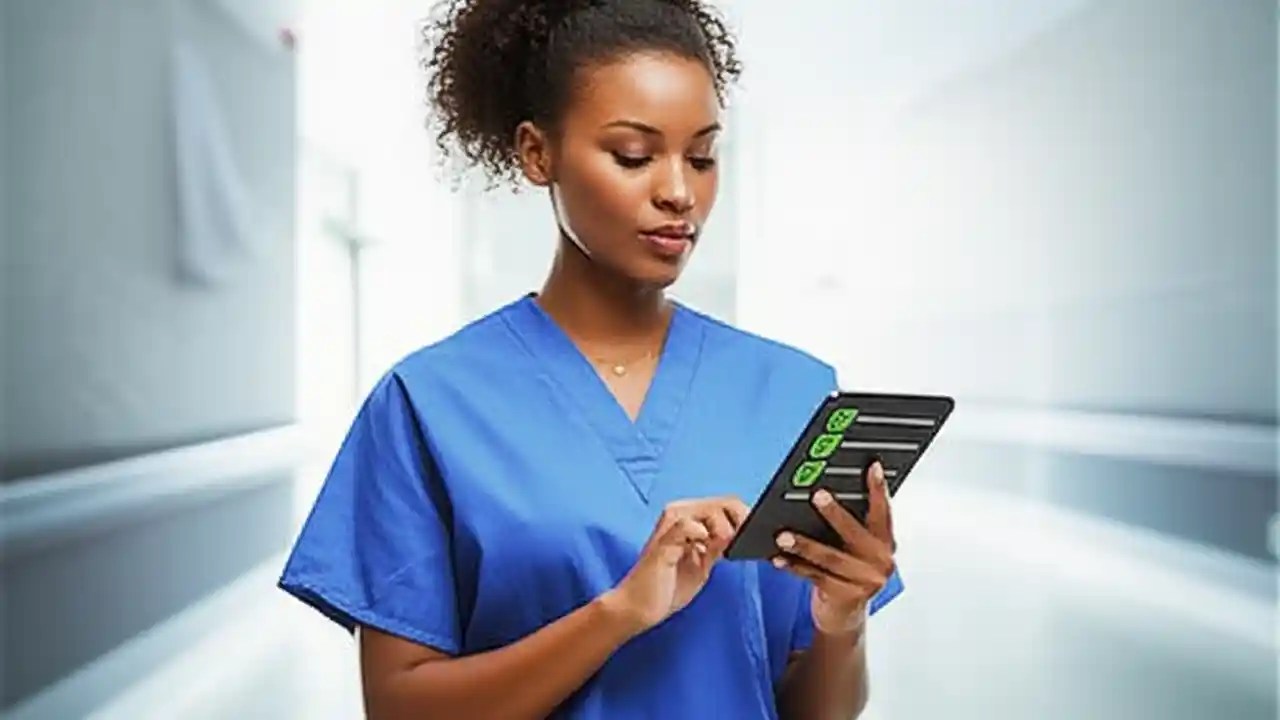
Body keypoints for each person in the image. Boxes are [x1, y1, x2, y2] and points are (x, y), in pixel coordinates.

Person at [278, 0, 905, 717]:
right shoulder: (429, 404)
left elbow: (816, 711)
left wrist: (841, 617)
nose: (679, 192)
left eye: (701, 156)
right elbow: (399, 707)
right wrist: (620, 613)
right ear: (537, 152)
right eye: (634, 156)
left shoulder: (793, 391)